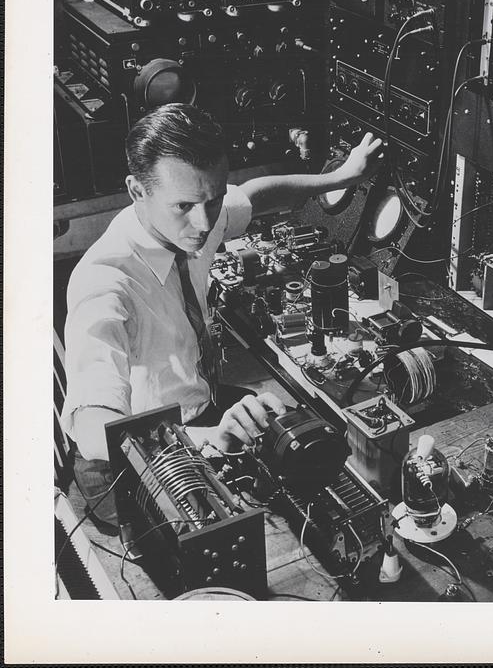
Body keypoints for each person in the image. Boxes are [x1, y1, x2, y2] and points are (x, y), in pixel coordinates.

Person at [61, 102, 382, 527]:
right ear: (137, 190)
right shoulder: (104, 283)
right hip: (126, 465)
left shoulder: (197, 211)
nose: (203, 222)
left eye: (212, 201)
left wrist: (342, 177)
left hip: (198, 408)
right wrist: (211, 438)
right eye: (184, 207)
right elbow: (92, 425)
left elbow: (255, 195)